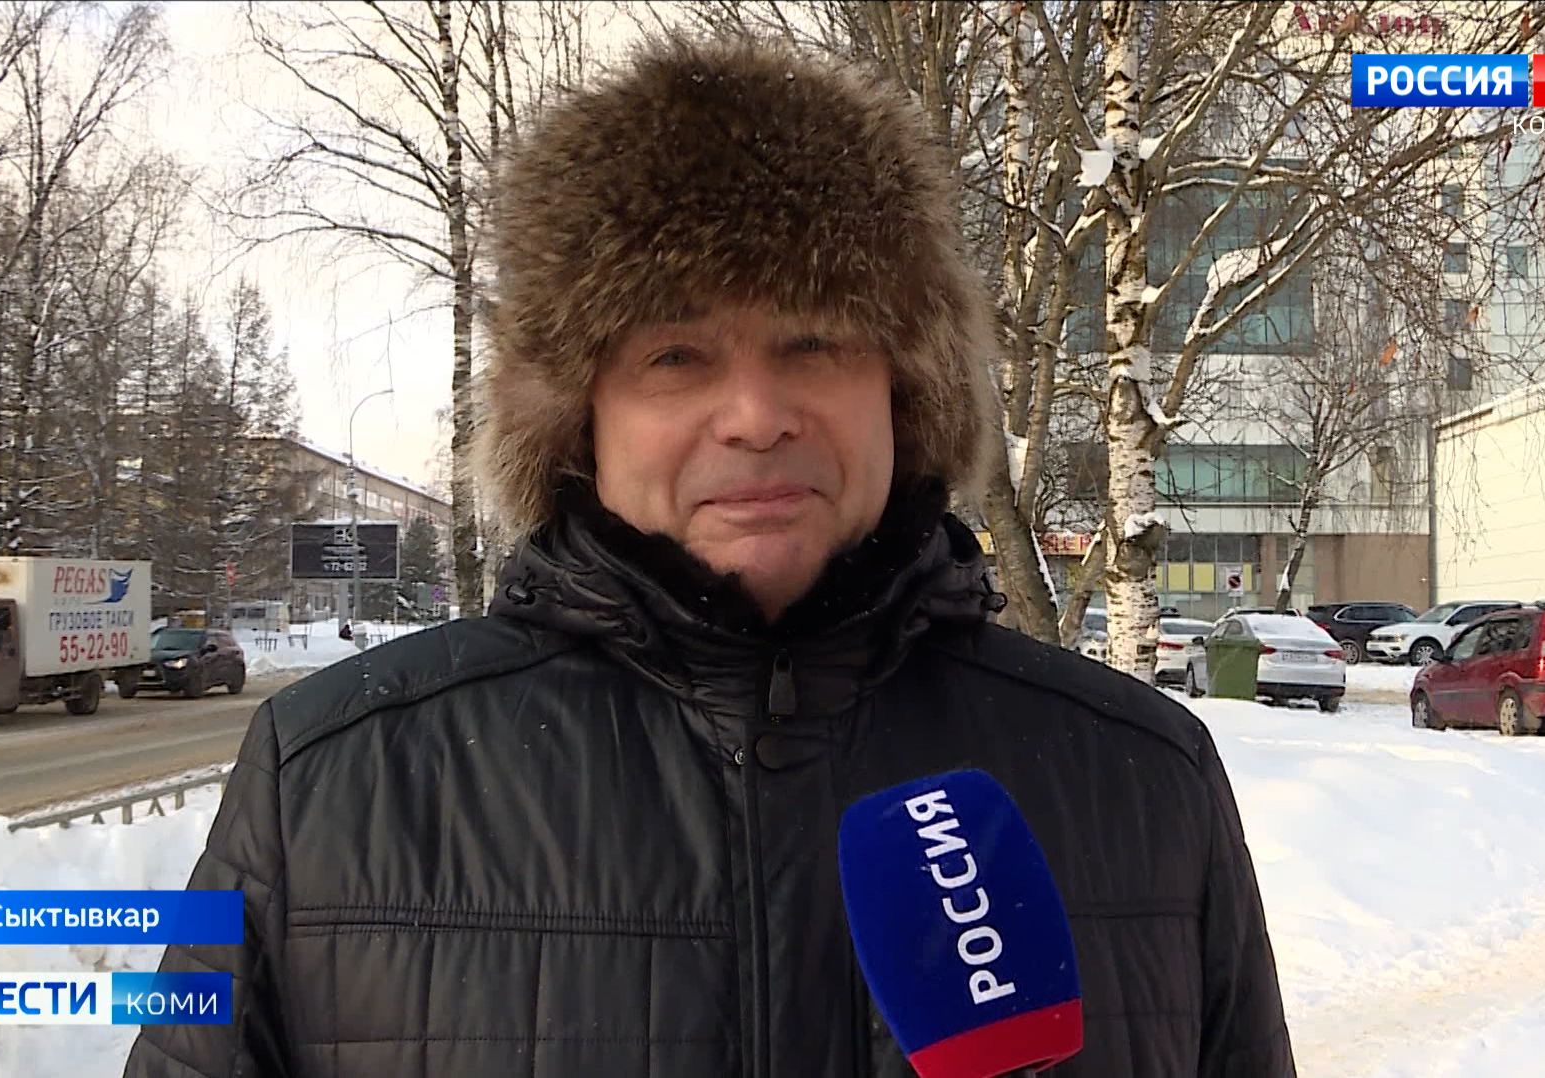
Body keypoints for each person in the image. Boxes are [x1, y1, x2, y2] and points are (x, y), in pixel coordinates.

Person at [124, 36, 1292, 1078]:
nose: (755, 415)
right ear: (579, 414)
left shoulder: (1146, 778)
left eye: (814, 340)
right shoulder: (325, 780)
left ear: (905, 390)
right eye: (676, 356)